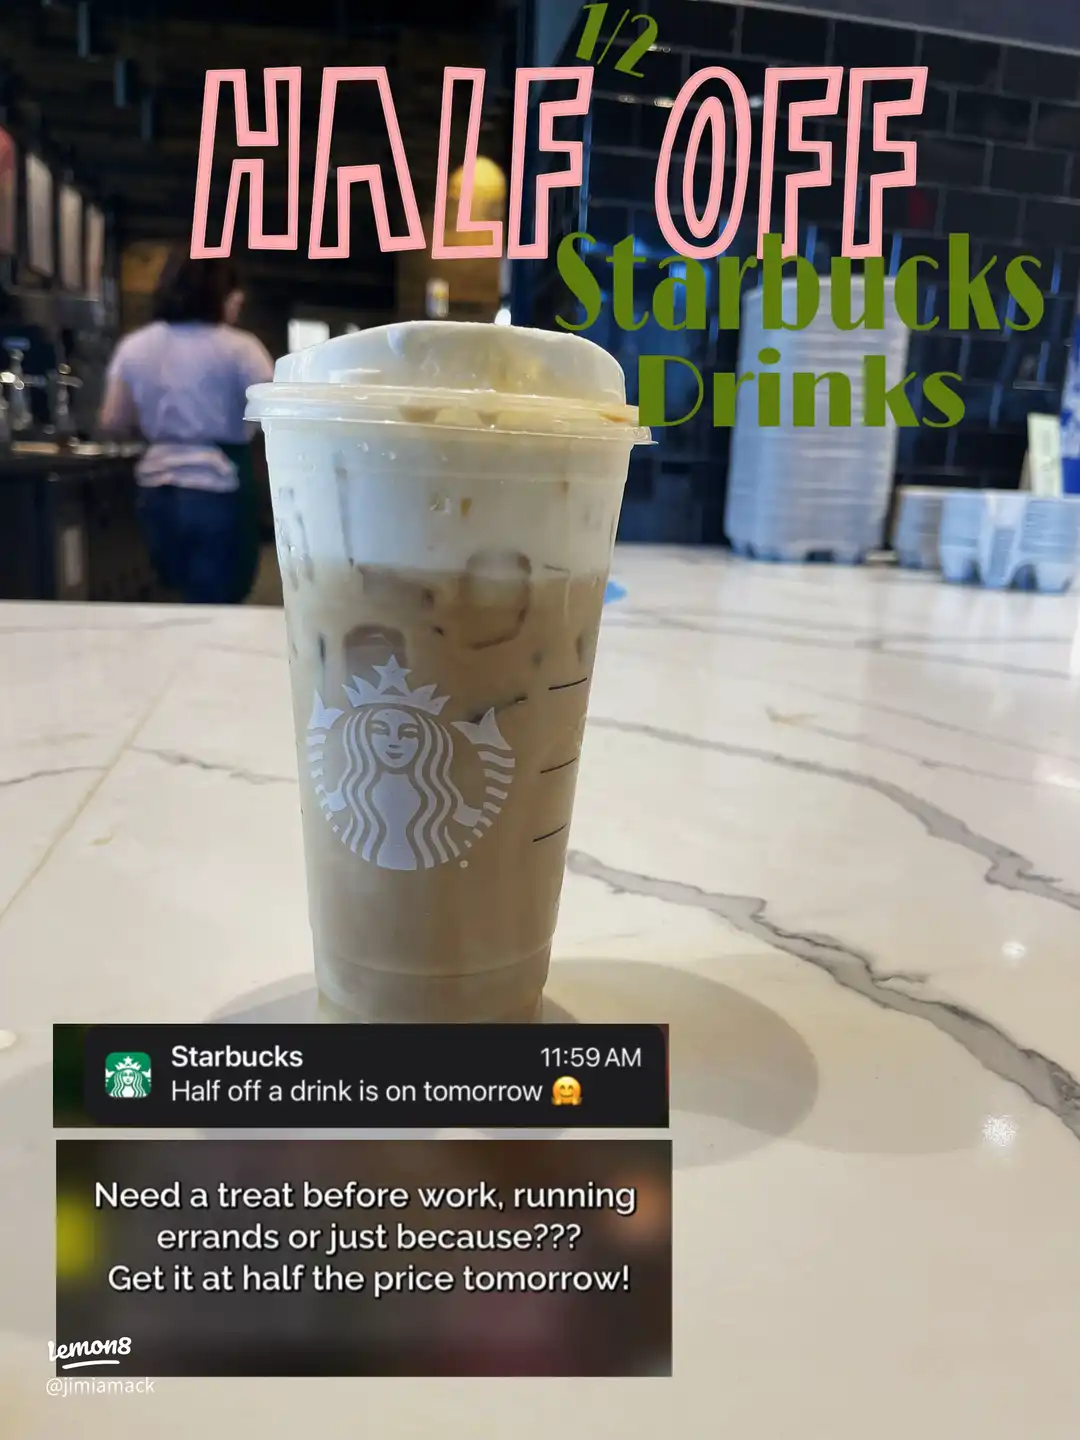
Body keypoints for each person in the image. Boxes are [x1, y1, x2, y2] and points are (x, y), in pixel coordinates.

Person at [98, 251, 275, 604]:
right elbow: (275, 411)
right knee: (217, 599)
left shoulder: (135, 346)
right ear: (223, 295)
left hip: (154, 485)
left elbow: (112, 420)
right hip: (219, 481)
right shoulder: (241, 348)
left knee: (166, 595)